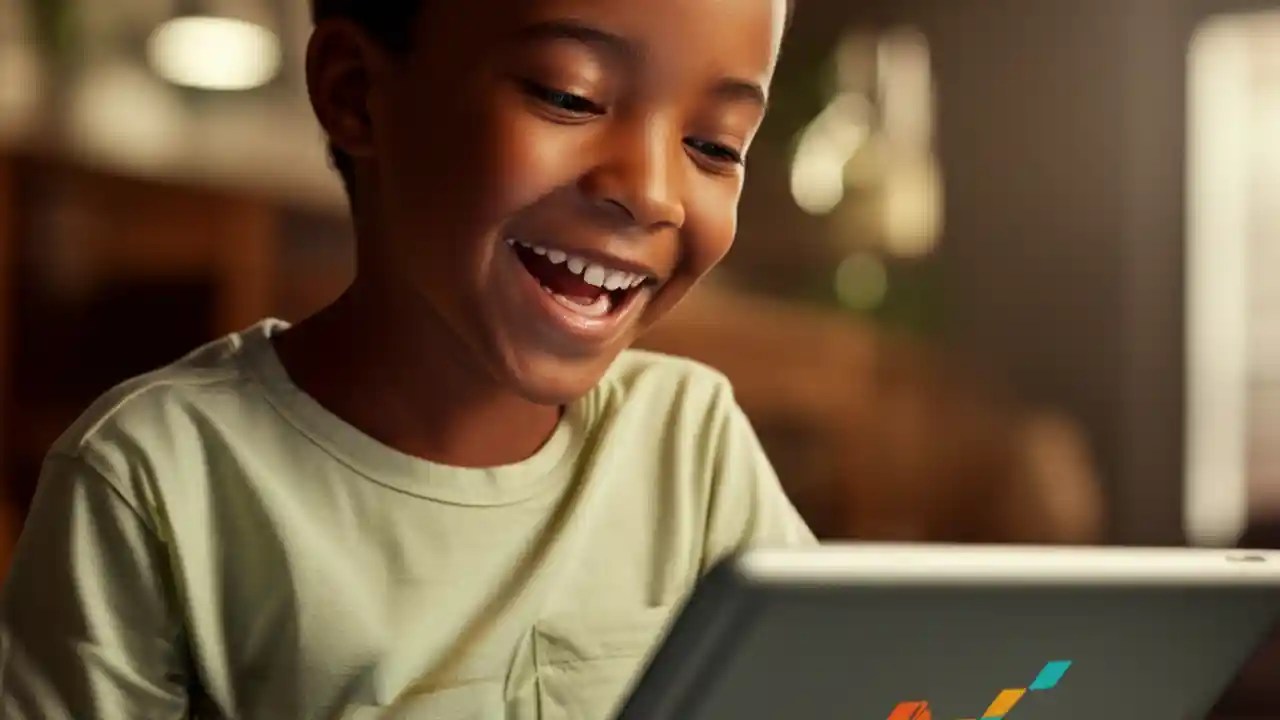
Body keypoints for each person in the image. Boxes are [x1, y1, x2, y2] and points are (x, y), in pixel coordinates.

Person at [0, 0, 810, 718]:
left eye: (715, 146)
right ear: (357, 93)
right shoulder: (155, 476)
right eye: (569, 96)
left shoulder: (691, 444)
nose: (654, 191)